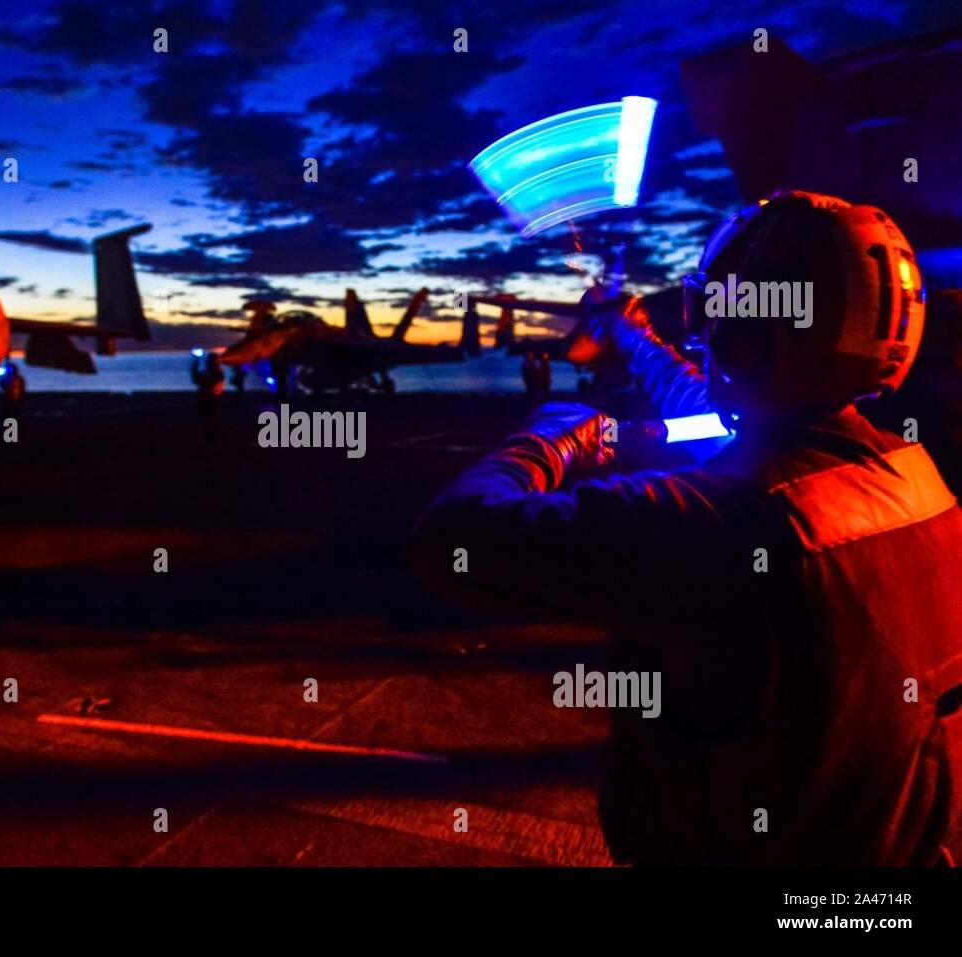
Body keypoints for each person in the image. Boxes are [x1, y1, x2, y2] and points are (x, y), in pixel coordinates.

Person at [409, 192, 962, 865]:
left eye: (718, 315)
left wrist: (550, 441)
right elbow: (715, 404)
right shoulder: (916, 479)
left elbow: (454, 541)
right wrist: (631, 336)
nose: (708, 334)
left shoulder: (726, 524)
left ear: (751, 332)